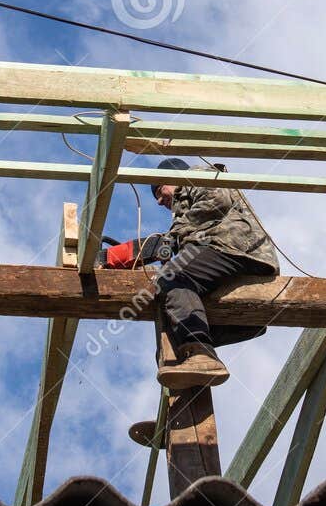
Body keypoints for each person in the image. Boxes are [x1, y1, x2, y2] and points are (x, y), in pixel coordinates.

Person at [102, 157, 279, 390]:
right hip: (229, 251)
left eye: (159, 191)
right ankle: (212, 343)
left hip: (234, 247)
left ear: (173, 177)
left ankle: (201, 355)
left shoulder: (198, 176)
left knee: (171, 278)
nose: (159, 201)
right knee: (171, 315)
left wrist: (173, 237)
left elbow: (217, 201)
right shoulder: (187, 204)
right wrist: (167, 243)